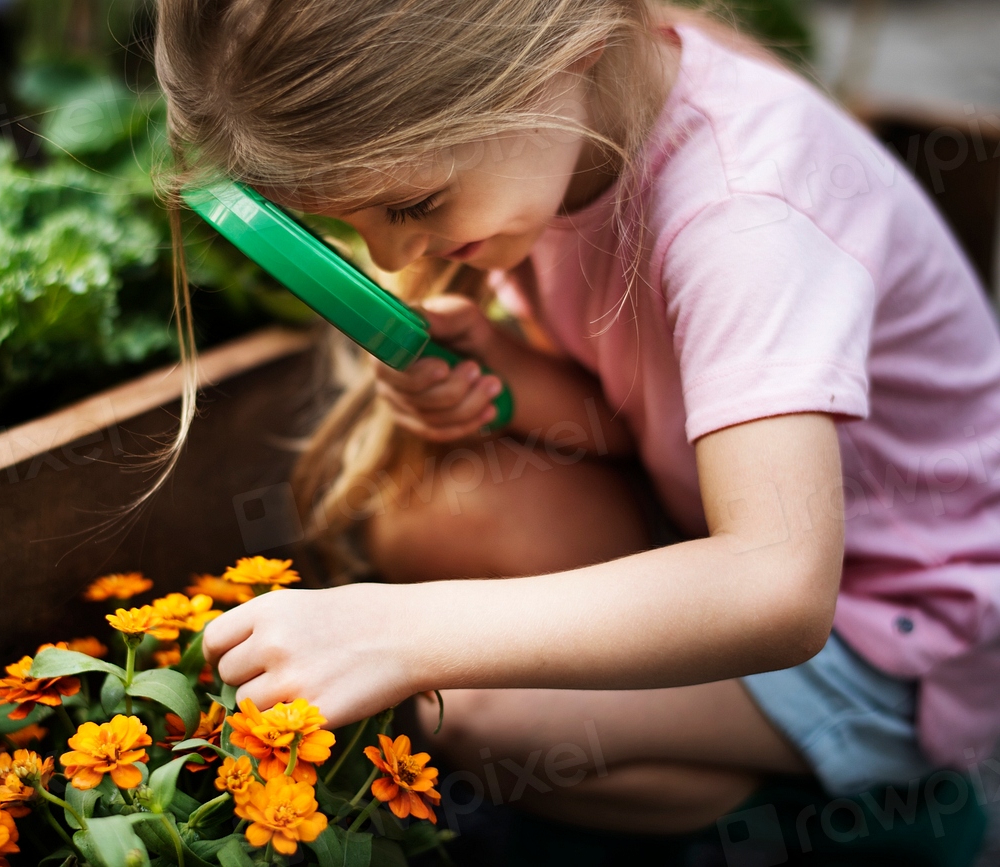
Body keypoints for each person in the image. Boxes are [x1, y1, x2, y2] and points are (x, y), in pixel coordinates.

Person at [154, 0, 1000, 832]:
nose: (392, 256)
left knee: (479, 717)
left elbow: (779, 588)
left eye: (414, 206)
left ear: (566, 54)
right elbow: (656, 413)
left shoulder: (748, 218)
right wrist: (509, 373)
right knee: (440, 523)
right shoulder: (574, 133)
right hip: (734, 528)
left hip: (905, 631)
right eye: (354, 222)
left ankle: (838, 821)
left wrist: (399, 627)